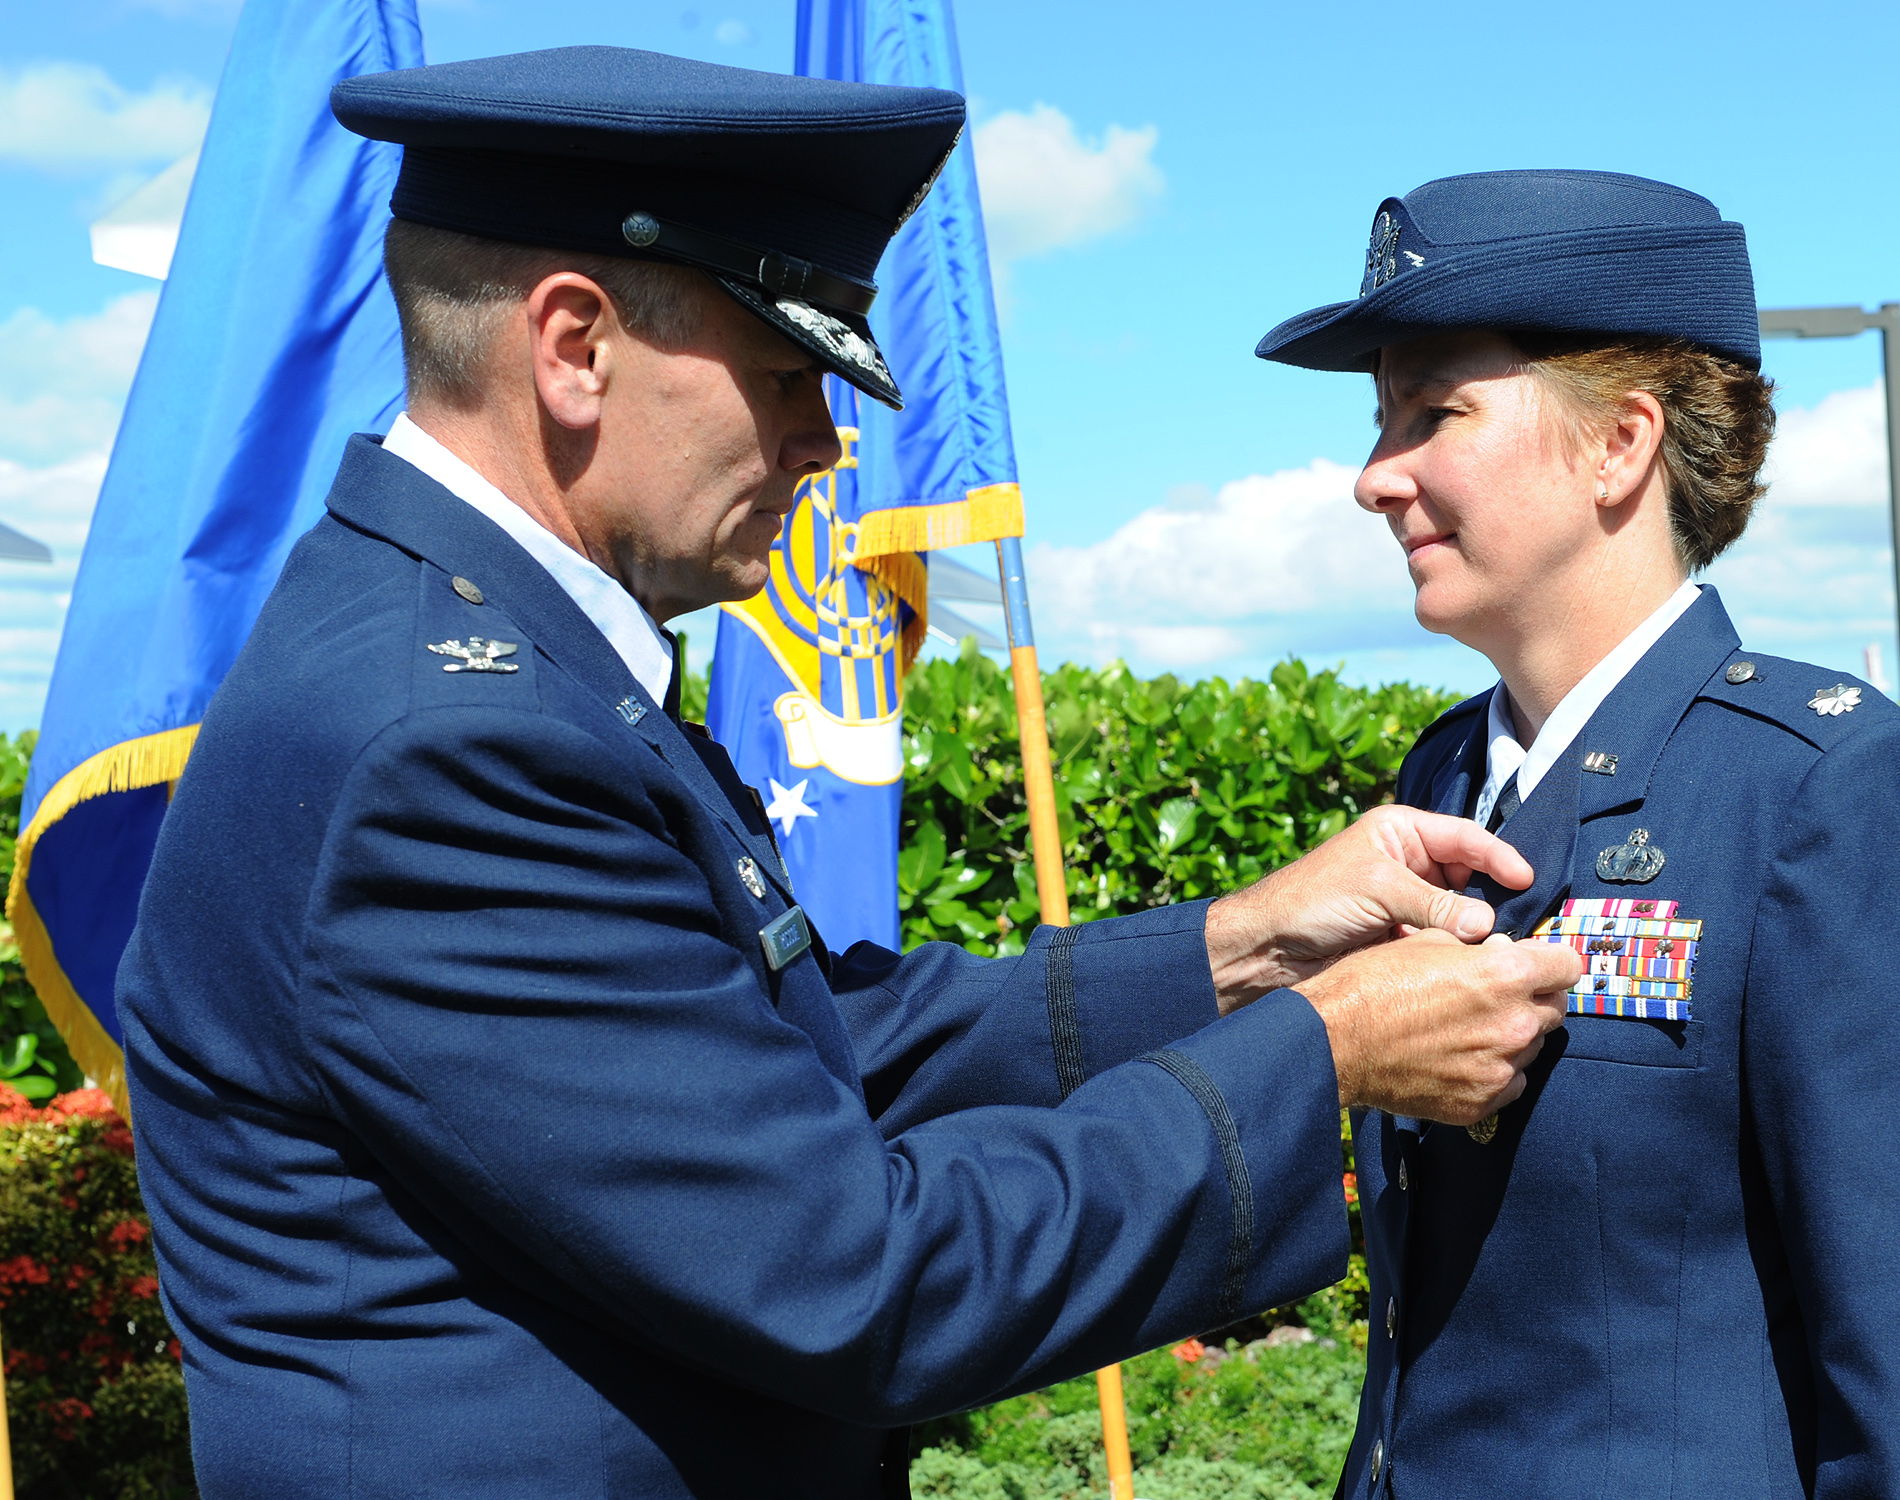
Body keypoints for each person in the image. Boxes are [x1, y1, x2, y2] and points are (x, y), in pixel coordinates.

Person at [114, 52, 1583, 1500]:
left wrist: (1245, 947)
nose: (827, 445)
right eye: (784, 376)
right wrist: (1319, 1053)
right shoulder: (451, 749)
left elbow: (797, 1054)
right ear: (573, 344)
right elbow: (854, 1275)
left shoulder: (479, 659)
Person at [1255, 168, 1900, 1500]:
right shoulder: (1442, 779)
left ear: (1621, 445)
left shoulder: (1832, 794)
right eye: (1380, 420)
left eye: (1434, 411)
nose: (1374, 478)